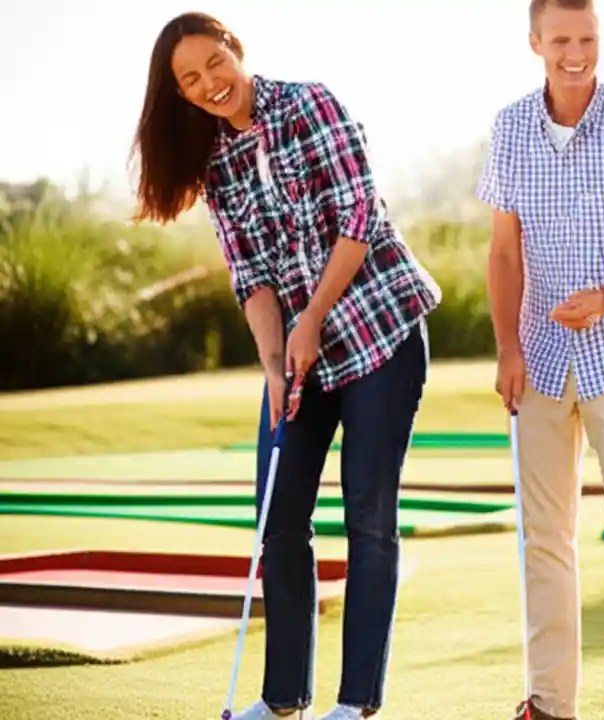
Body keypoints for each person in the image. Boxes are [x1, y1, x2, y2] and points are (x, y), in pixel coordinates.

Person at [132, 12, 441, 720]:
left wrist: (312, 319)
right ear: (179, 94)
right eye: (189, 79)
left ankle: (357, 703)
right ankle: (283, 702)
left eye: (214, 63)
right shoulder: (217, 162)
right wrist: (274, 365)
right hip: (302, 355)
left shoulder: (310, 103)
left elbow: (359, 217)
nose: (210, 83)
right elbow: (251, 276)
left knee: (367, 517)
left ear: (236, 52)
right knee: (278, 519)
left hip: (378, 333)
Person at [475, 1, 604, 718]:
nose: (576, 52)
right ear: (534, 42)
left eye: (587, 38)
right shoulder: (509, 128)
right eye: (561, 39)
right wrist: (507, 347)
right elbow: (504, 252)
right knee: (544, 538)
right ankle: (548, 702)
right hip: (537, 359)